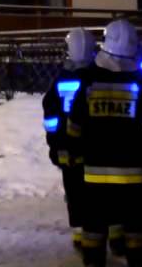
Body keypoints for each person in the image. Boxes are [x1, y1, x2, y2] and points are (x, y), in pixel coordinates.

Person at [67, 20, 142, 267]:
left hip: (95, 171)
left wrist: (73, 152)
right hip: (132, 172)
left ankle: (93, 262)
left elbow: (75, 123)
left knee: (94, 226)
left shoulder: (89, 78)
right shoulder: (141, 81)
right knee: (135, 225)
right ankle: (139, 262)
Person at [42, 28, 97, 252]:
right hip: (94, 148)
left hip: (67, 148)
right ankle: (105, 234)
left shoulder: (60, 81)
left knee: (74, 194)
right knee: (96, 193)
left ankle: (79, 235)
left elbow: (50, 117)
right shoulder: (98, 77)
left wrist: (54, 144)